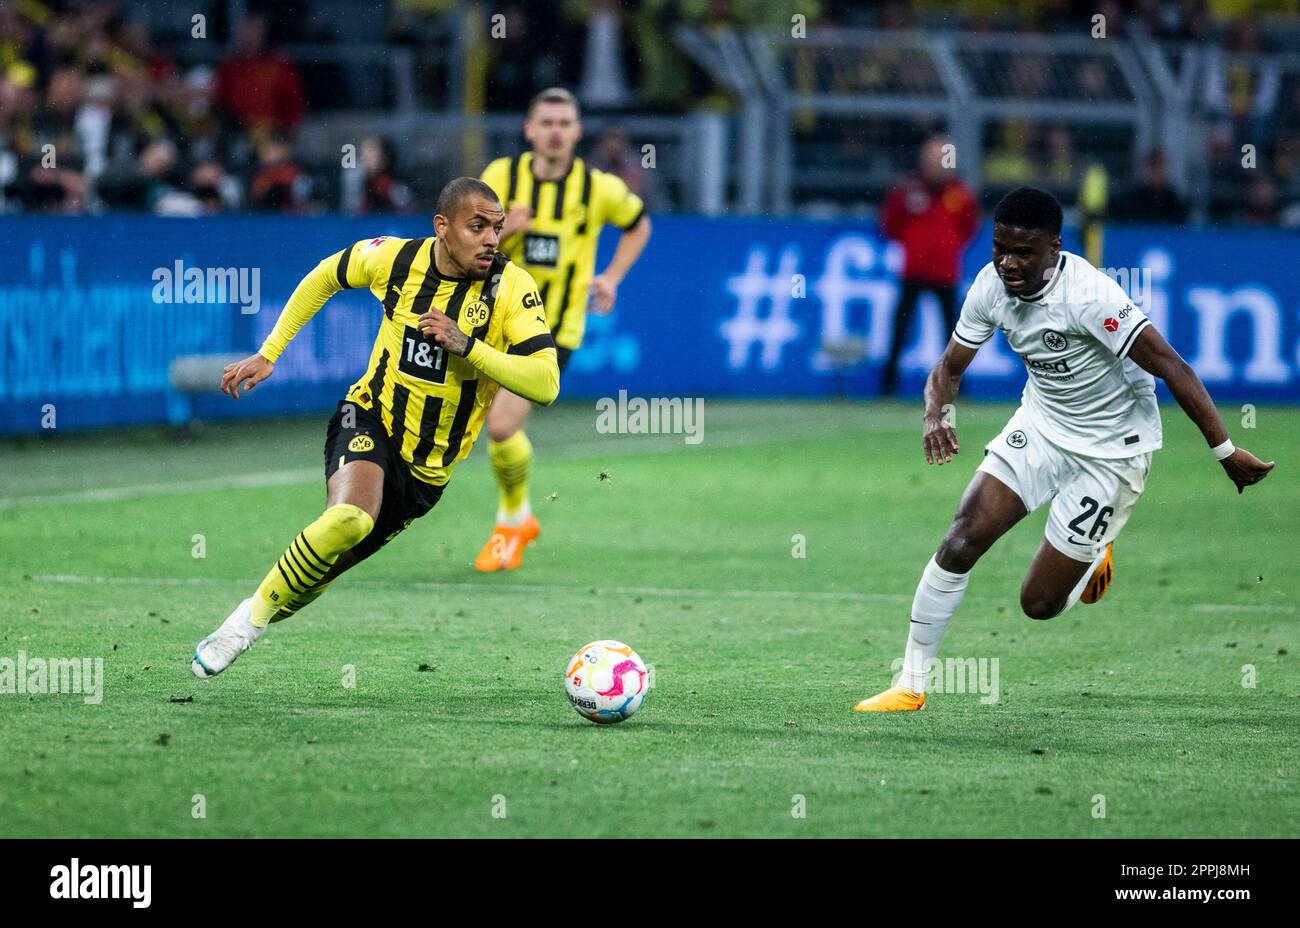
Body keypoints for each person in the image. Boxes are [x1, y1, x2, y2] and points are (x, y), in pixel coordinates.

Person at [856, 187, 1274, 711]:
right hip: (1041, 427)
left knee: (1038, 603)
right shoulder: (990, 286)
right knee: (962, 538)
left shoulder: (1091, 297)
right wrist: (934, 414)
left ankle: (1094, 560)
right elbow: (948, 367)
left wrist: (1225, 451)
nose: (1008, 263)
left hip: (1112, 453)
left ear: (1054, 248)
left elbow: (1172, 365)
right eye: (1000, 248)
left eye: (1023, 252)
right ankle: (910, 685)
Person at [190, 177, 559, 678]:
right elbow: (325, 275)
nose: (491, 239)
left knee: (306, 587)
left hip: (426, 472)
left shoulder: (512, 287)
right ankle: (239, 628)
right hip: (368, 415)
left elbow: (545, 382)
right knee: (350, 518)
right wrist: (270, 352)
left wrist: (466, 346)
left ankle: (258, 612)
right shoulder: (395, 259)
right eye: (477, 227)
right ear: (442, 226)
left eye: (496, 228)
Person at [472, 87, 652, 571]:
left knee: (502, 424)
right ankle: (518, 517)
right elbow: (460, 240)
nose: (555, 132)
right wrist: (504, 230)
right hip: (491, 321)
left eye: (564, 123)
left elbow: (639, 223)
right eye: (546, 123)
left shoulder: (598, 189)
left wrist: (612, 277)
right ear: (529, 129)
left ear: (577, 132)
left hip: (553, 330)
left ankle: (511, 520)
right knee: (481, 429)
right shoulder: (500, 177)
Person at [879, 134, 979, 395]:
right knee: (900, 329)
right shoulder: (908, 190)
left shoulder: (959, 194)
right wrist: (916, 244)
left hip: (945, 272)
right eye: (933, 157)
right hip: (914, 271)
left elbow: (969, 226)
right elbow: (890, 224)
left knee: (954, 333)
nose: (938, 164)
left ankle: (957, 385)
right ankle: (888, 385)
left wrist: (946, 246)